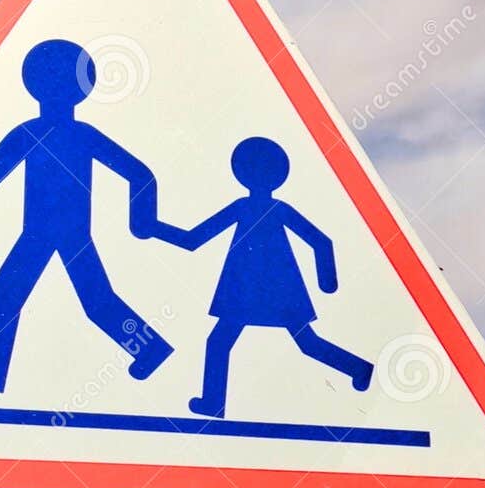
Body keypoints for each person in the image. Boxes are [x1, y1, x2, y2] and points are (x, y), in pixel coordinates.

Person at [0, 38, 173, 393]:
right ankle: (149, 350)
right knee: (91, 300)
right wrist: (141, 219)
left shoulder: (36, 132)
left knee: (6, 298)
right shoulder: (67, 134)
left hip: (48, 232)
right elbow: (140, 174)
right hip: (59, 231)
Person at [140, 136, 372, 418]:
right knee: (301, 343)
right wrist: (327, 280)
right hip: (271, 290)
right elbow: (321, 242)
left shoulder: (248, 207)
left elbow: (194, 239)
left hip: (252, 289)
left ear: (241, 172)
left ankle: (214, 402)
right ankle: (358, 368)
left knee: (225, 342)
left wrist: (154, 228)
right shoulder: (272, 208)